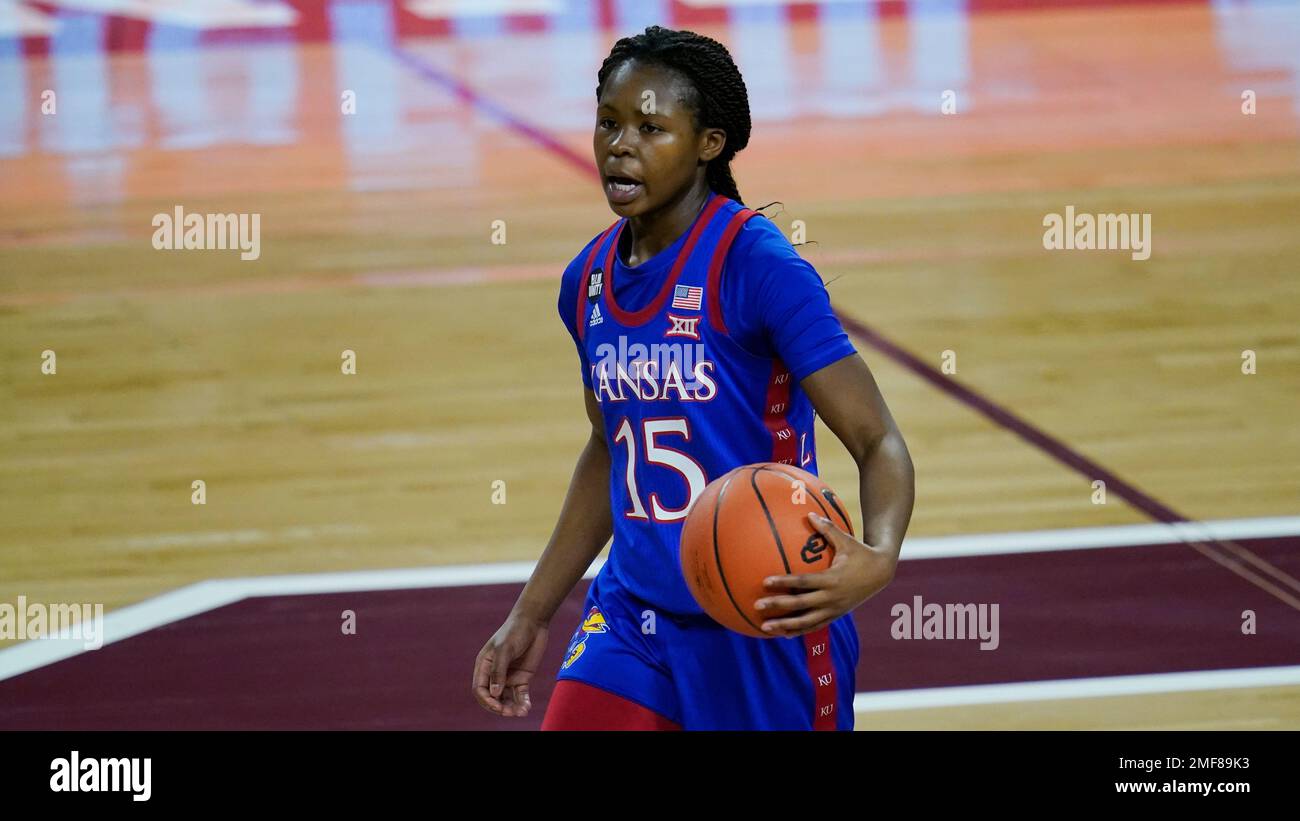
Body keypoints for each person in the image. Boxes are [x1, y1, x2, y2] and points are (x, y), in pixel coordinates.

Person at [472, 25, 914, 730]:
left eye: (652, 128)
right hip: (632, 616)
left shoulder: (757, 268)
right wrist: (533, 609)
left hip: (763, 617)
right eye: (610, 123)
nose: (621, 145)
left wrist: (880, 555)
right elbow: (609, 443)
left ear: (709, 143)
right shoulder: (585, 279)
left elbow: (877, 438)